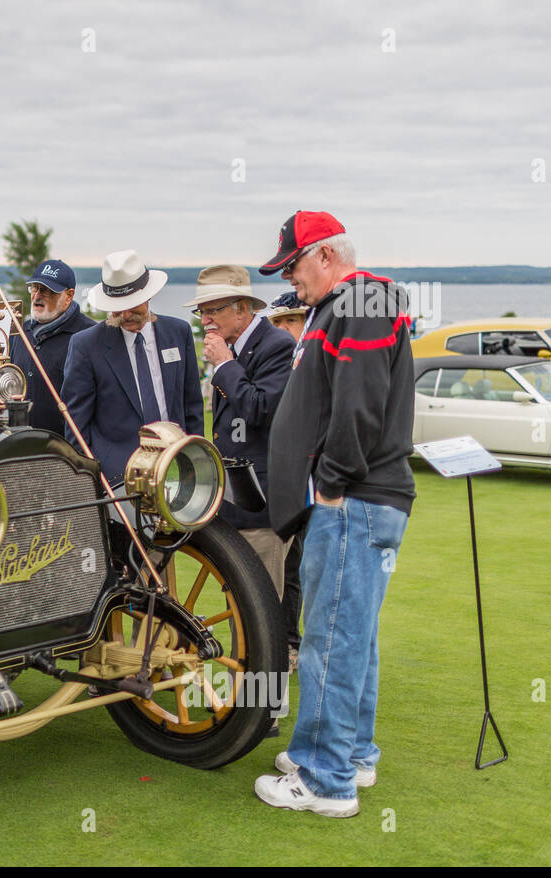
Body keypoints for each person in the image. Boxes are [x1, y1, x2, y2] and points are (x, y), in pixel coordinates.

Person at [252, 211, 415, 818]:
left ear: (324, 255)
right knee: (353, 635)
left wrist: (333, 482)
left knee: (331, 637)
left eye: (294, 266)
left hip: (356, 498)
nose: (291, 281)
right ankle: (351, 754)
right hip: (362, 498)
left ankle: (325, 779)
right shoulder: (353, 302)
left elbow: (360, 405)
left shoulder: (363, 299)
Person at [188, 265, 294, 596]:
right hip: (232, 504)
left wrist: (223, 366)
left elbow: (259, 409)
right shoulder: (231, 346)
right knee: (240, 605)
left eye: (212, 310)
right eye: (201, 311)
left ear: (243, 308)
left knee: (262, 611)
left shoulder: (277, 345)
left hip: (261, 506)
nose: (205, 320)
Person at [61, 249, 202, 482]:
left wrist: (197, 463)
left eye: (133, 305)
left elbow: (193, 406)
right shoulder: (86, 345)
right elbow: (76, 425)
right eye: (117, 307)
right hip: (118, 477)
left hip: (178, 465)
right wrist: (89, 479)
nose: (126, 315)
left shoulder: (179, 332)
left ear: (148, 296)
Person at [264, 290, 310, 669]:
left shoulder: (312, 361)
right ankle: (279, 642)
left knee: (301, 564)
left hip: (313, 480)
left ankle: (292, 643)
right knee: (283, 562)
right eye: (276, 322)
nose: (281, 329)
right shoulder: (274, 363)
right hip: (275, 479)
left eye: (289, 321)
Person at [9, 259, 93, 435]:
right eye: (35, 288)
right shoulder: (20, 332)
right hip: (18, 446)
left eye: (47, 291)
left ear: (68, 296)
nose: (38, 296)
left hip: (67, 451)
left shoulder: (89, 335)